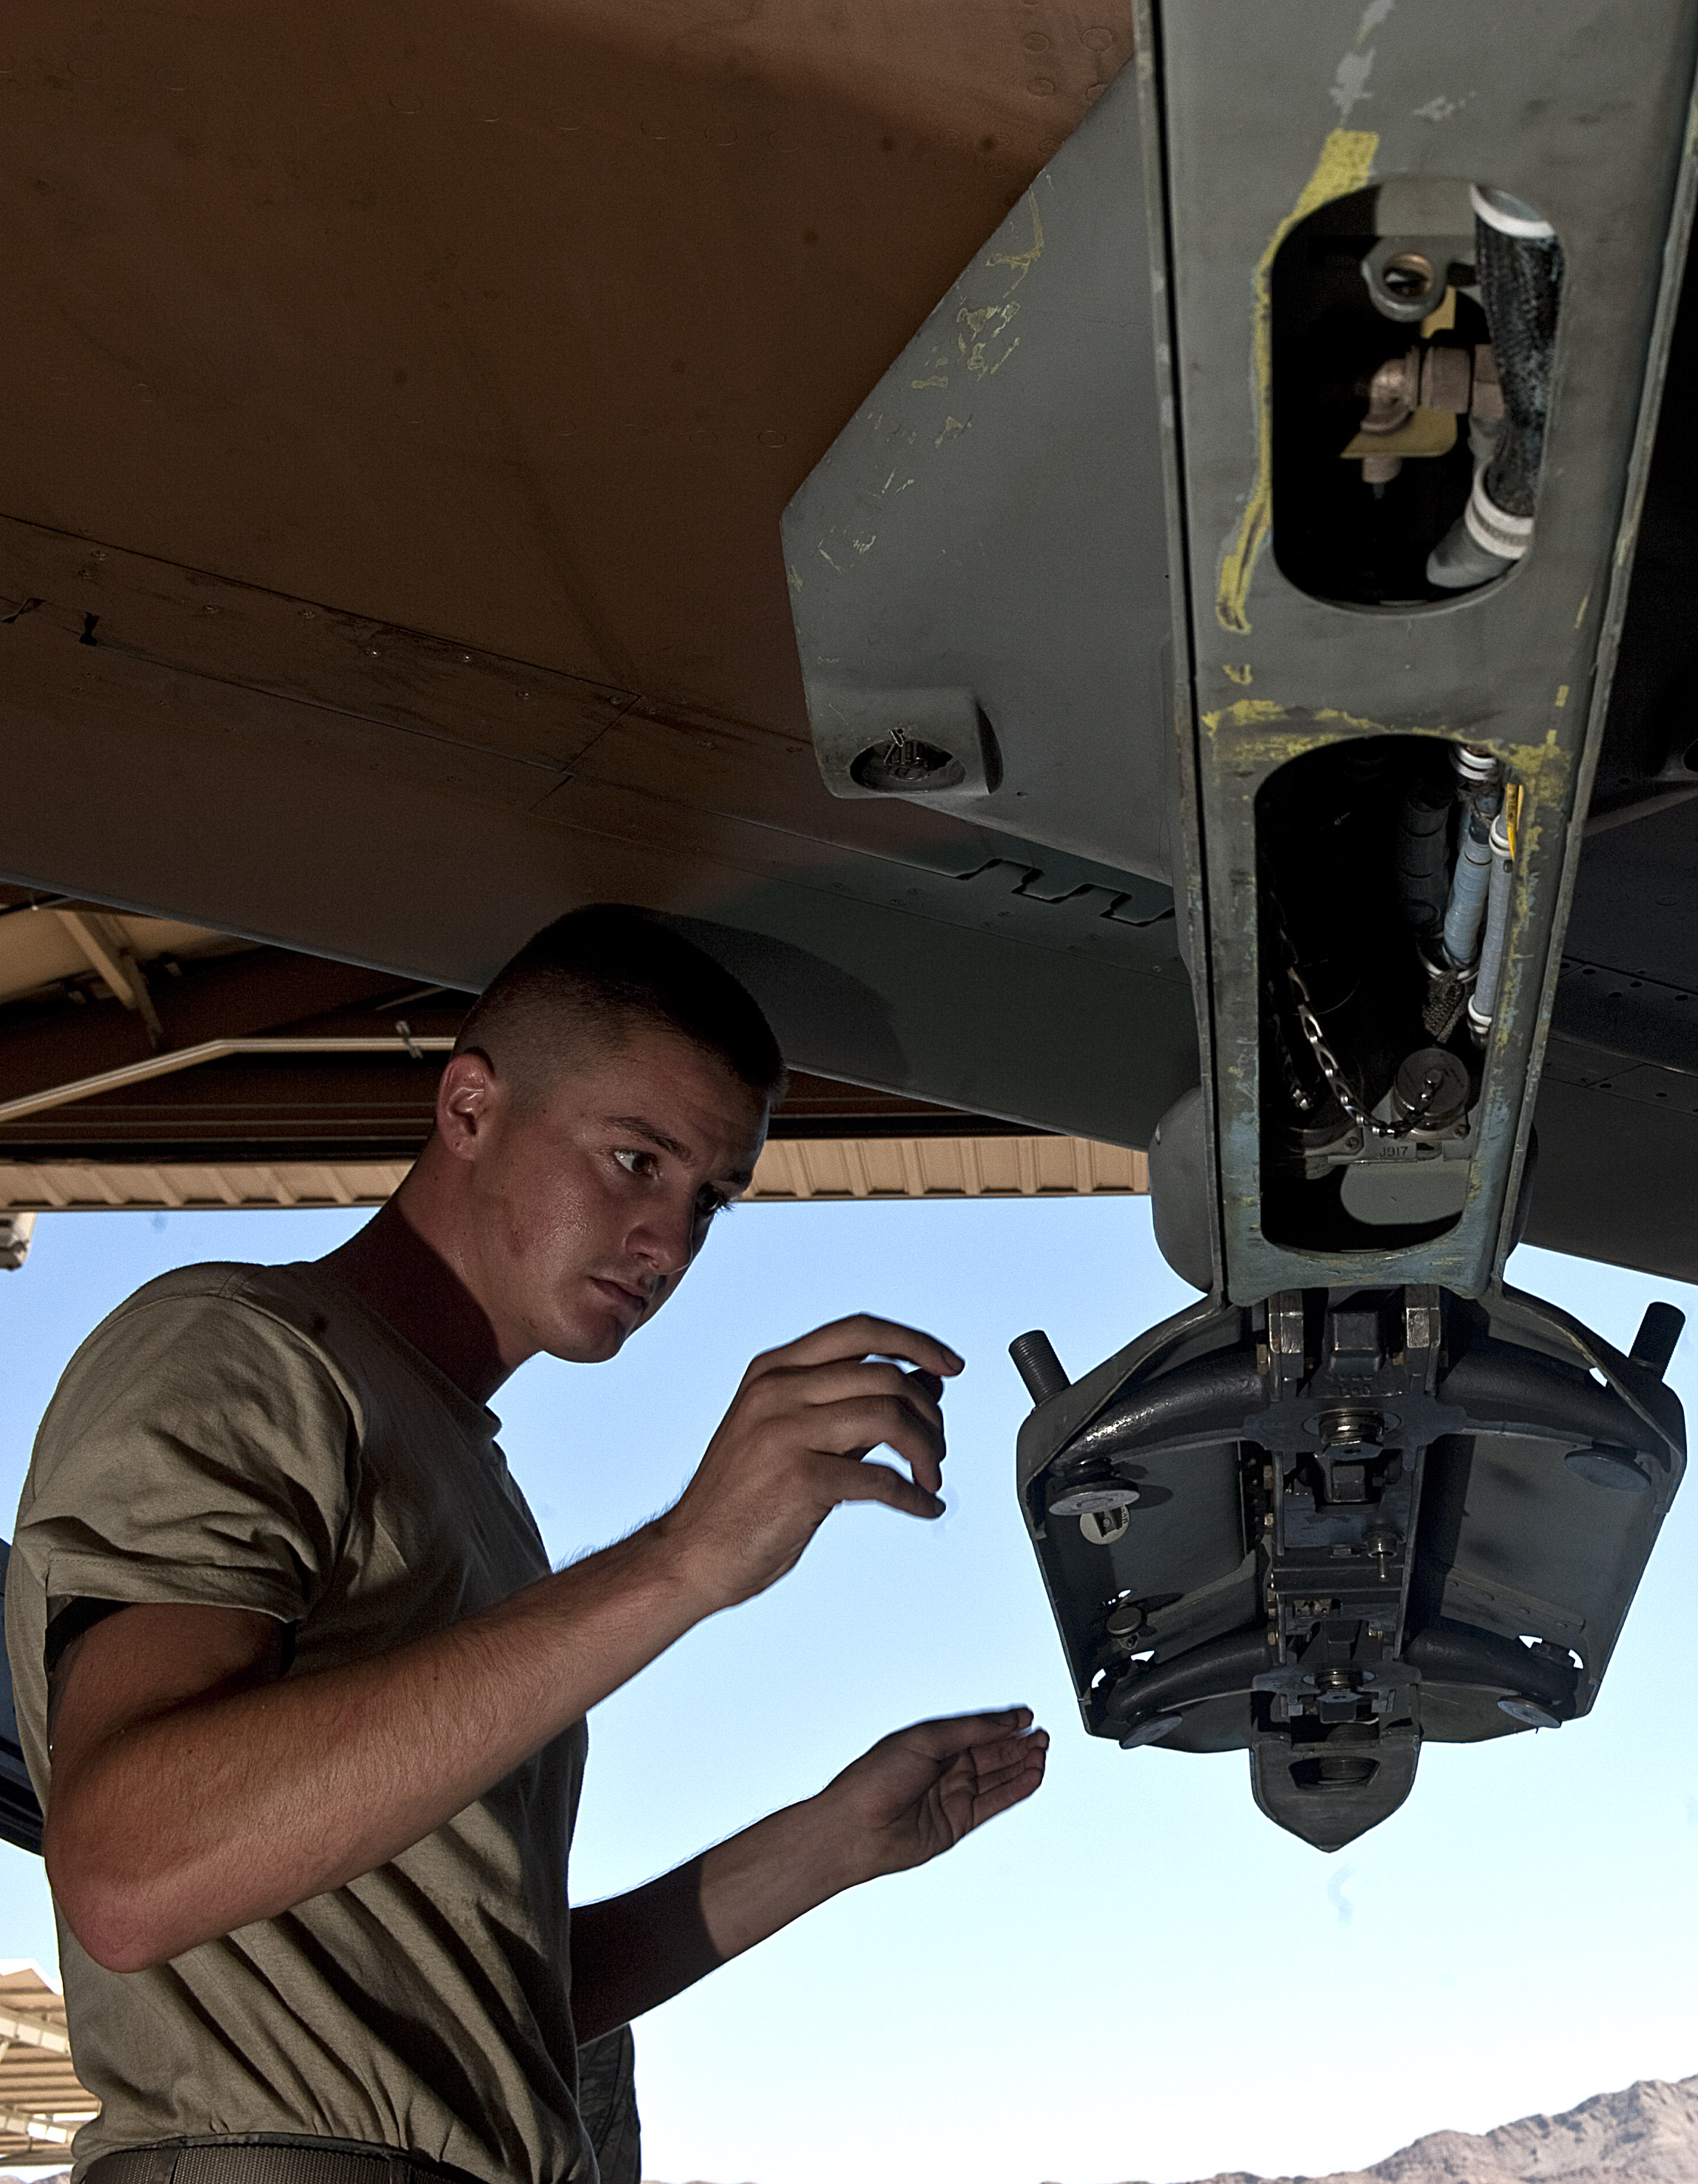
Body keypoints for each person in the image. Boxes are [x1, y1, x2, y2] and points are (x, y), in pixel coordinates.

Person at [5, 906, 1047, 2184]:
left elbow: (484, 2011)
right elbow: (128, 1868)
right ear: (469, 1110)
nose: (669, 1245)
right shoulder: (241, 1350)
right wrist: (680, 1560)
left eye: (709, 1201)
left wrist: (827, 1843)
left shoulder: (476, 1491)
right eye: (633, 1162)